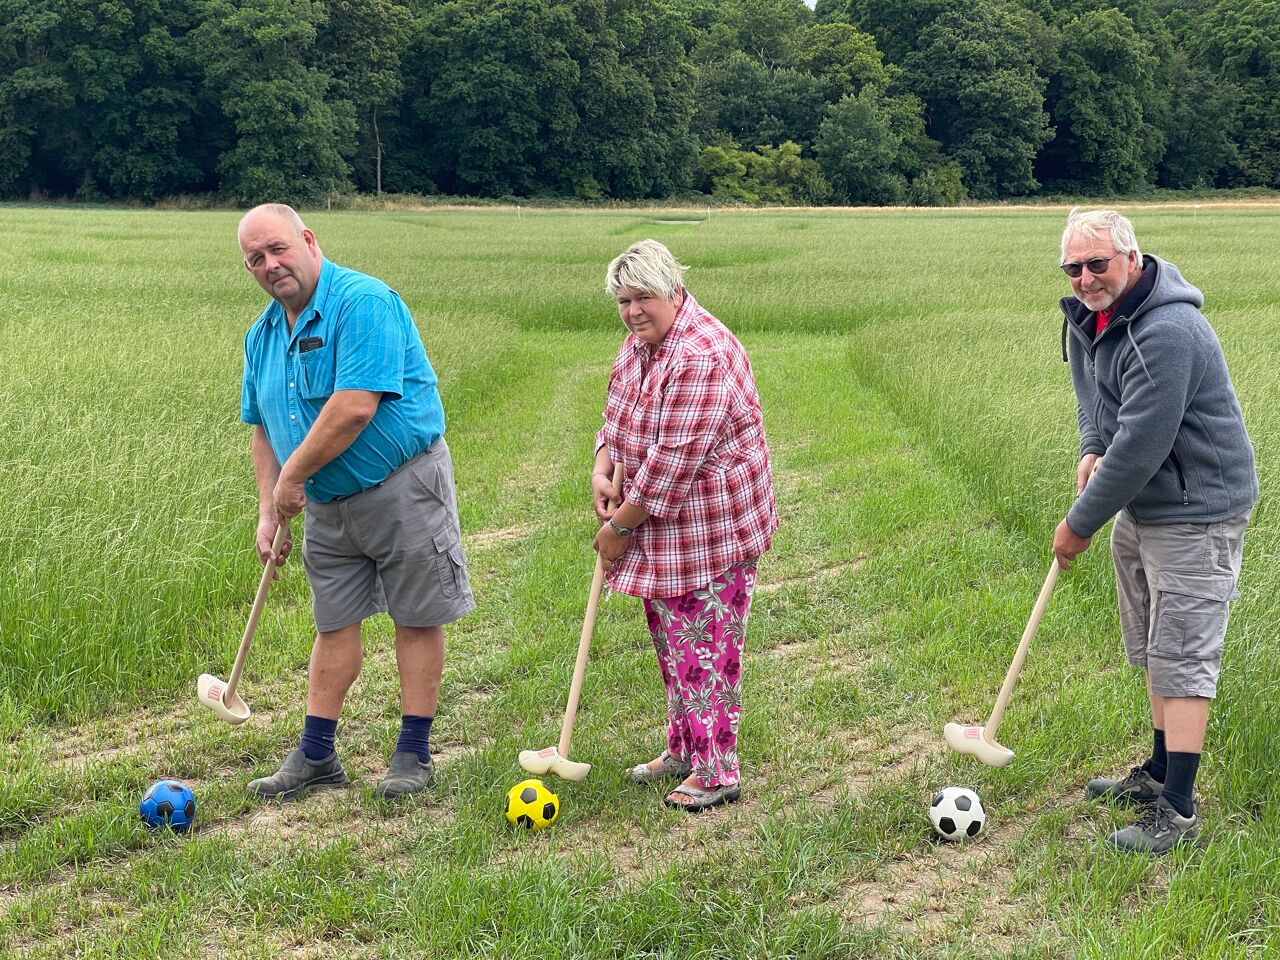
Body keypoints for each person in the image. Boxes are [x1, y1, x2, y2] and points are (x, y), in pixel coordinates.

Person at [237, 204, 474, 800]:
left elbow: (355, 406)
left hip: (402, 487)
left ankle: (413, 754)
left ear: (308, 240)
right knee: (333, 621)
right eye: (256, 259)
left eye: (279, 249)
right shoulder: (263, 335)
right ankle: (317, 755)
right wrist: (270, 508)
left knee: (416, 616)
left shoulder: (363, 302)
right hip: (325, 502)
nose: (271, 265)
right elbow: (262, 427)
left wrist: (291, 480)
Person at [1053, 208, 1256, 853]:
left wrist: (1078, 524)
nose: (1085, 278)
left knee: (1184, 656)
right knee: (1152, 644)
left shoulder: (1170, 331)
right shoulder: (1088, 323)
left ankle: (1179, 812)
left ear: (1131, 259)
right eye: (1073, 267)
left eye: (1097, 264)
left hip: (1197, 510)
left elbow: (1142, 444)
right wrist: (1090, 446)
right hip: (1146, 508)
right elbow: (1098, 407)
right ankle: (1159, 771)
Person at [592, 239, 778, 812]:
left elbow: (673, 464)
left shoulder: (699, 353)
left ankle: (718, 772)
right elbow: (617, 415)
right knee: (672, 644)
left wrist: (618, 529)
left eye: (643, 296)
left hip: (712, 527)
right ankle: (682, 749)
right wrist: (602, 464)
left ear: (673, 290)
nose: (632, 311)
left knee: (707, 650)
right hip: (669, 533)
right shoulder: (639, 346)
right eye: (623, 300)